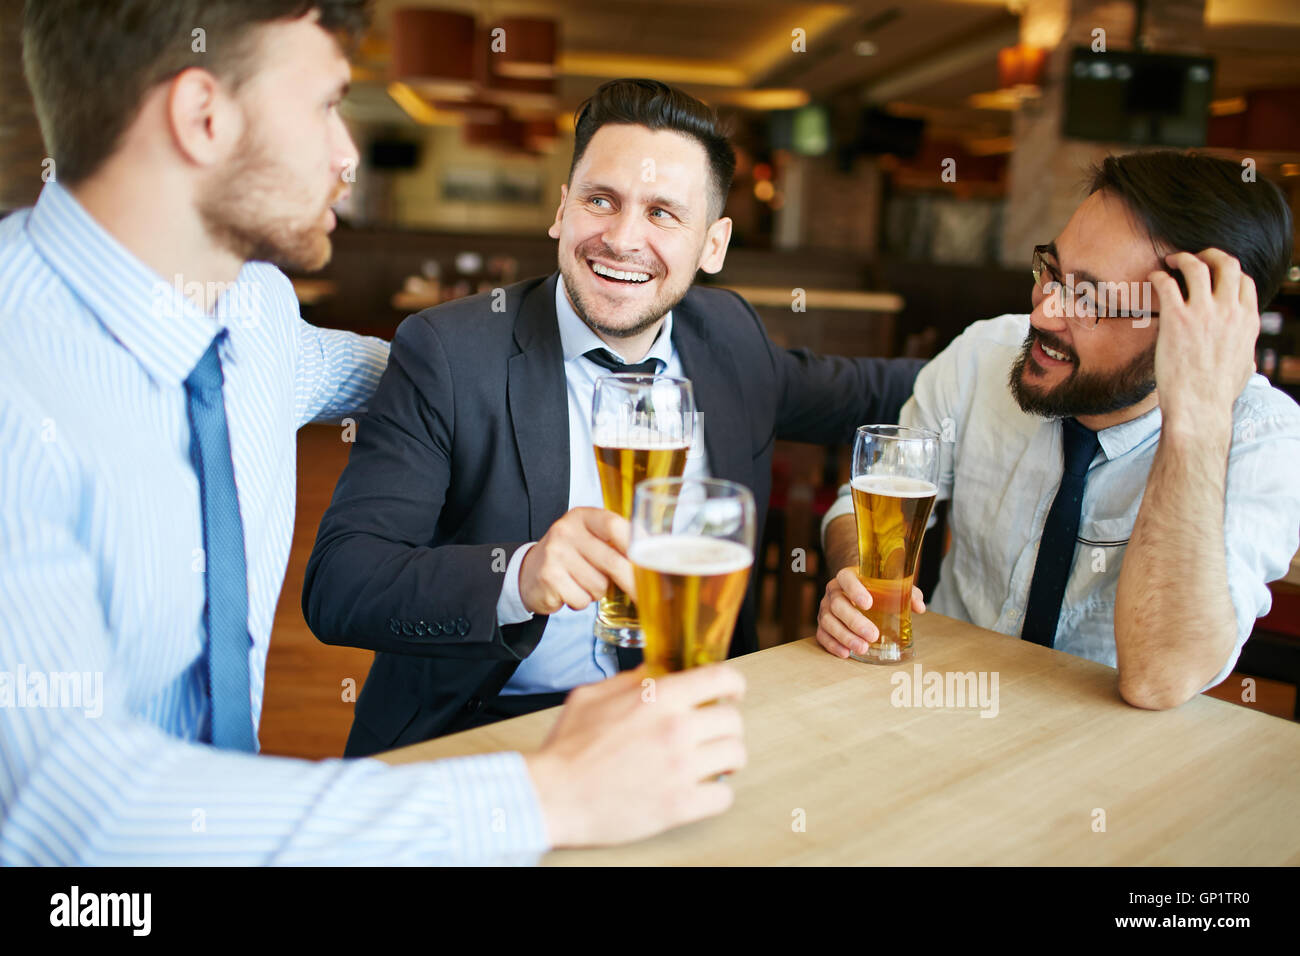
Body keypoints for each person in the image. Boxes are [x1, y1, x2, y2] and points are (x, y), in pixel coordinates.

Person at [0, 0, 747, 865]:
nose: (347, 157)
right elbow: (64, 808)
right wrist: (546, 795)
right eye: (325, 106)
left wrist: (489, 378)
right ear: (202, 117)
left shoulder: (254, 311)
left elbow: (381, 373)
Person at [302, 78, 927, 754]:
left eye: (663, 213)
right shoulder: (452, 351)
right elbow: (343, 582)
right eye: (601, 201)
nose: (622, 239)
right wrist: (518, 575)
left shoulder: (730, 337)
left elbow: (869, 389)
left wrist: (1020, 352)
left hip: (688, 719)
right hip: (492, 729)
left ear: (712, 245)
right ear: (562, 209)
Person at [815, 150, 1300, 710]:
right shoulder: (981, 354)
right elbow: (862, 504)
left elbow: (1158, 678)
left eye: (1089, 299)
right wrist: (857, 579)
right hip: (939, 700)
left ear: (1196, 327)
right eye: (1051, 270)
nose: (1044, 314)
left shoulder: (1265, 440)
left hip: (1105, 761)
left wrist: (1195, 420)